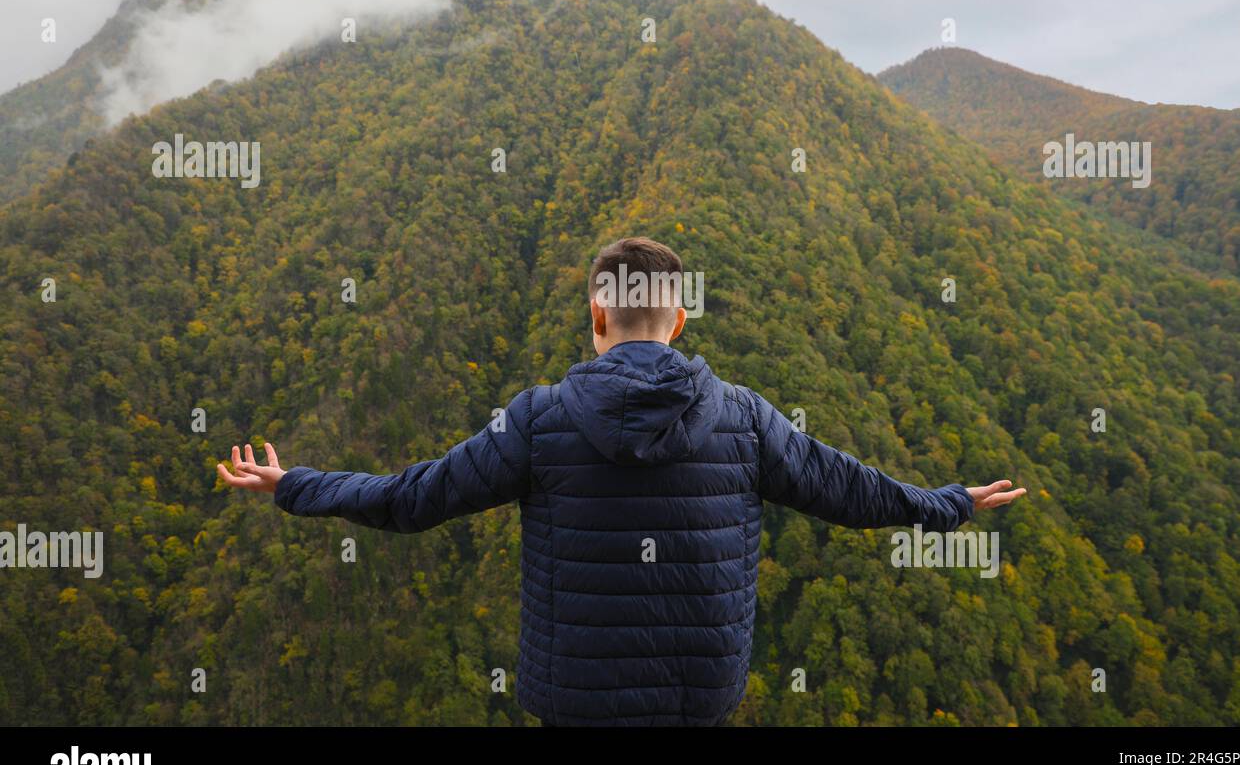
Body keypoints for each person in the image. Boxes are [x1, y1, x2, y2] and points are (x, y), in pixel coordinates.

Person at [219, 236, 1024, 726]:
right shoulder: (744, 417)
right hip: (697, 698)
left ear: (598, 319)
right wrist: (947, 504)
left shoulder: (538, 421)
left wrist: (295, 484)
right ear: (678, 321)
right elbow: (853, 493)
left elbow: (411, 499)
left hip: (579, 701)